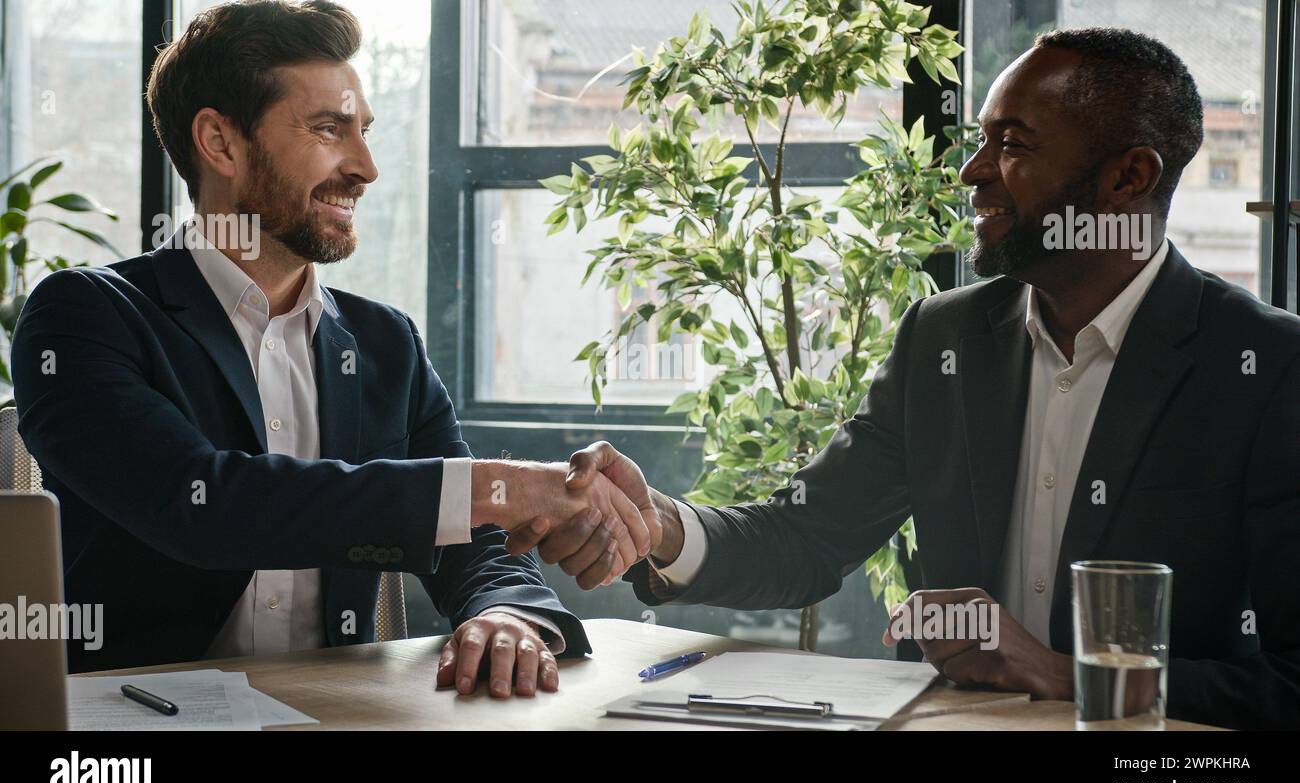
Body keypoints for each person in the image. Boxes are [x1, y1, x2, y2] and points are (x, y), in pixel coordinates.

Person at [509, 28, 1300, 729]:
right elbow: (808, 535)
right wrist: (662, 525)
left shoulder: (1268, 369)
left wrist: (1060, 674)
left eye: (1014, 145)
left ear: (1127, 180)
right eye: (982, 140)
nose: (972, 173)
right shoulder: (946, 338)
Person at [10, 0, 655, 698]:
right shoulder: (84, 318)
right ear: (220, 143)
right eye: (328, 129)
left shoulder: (387, 345)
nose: (367, 167)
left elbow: (475, 543)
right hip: (131, 725)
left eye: (365, 132)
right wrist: (503, 485)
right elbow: (204, 505)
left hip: (340, 713)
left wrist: (504, 611)